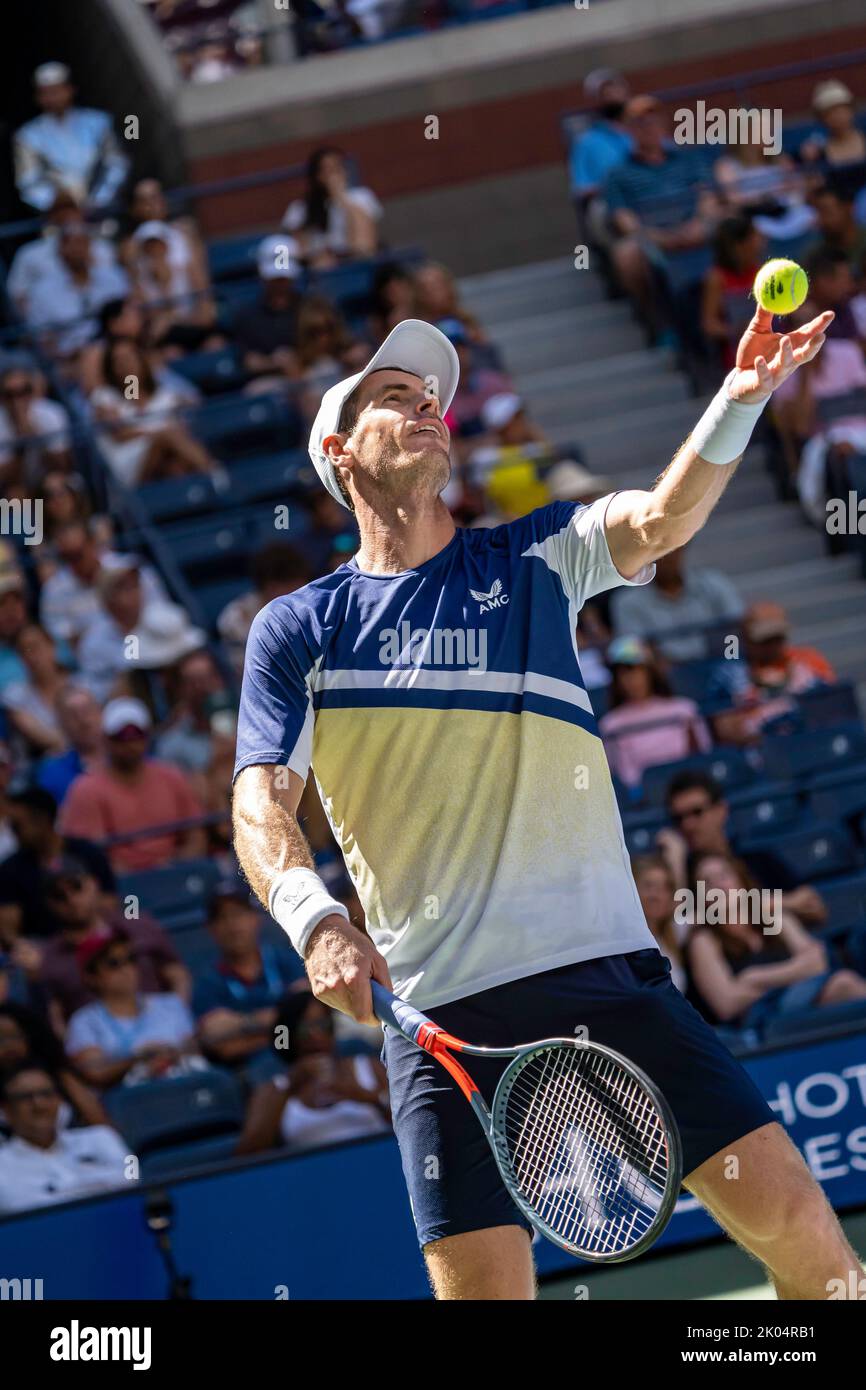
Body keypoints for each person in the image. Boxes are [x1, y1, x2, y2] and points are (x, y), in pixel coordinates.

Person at [231, 306, 863, 1300]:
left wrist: (736, 402)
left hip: (608, 979)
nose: (426, 406)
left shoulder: (533, 557)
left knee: (813, 1253)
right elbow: (260, 800)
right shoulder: (299, 628)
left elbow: (658, 516)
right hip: (439, 1016)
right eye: (394, 398)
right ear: (339, 451)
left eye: (431, 395)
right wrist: (314, 923)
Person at [686, 851, 866, 1034]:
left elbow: (818, 962)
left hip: (805, 997)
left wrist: (754, 978)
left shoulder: (771, 916)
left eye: (723, 875)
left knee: (842, 985)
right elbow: (726, 1004)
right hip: (761, 1018)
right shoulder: (704, 939)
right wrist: (797, 972)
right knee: (843, 984)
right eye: (707, 882)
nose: (718, 885)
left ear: (740, 880)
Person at [604, 94, 719, 341]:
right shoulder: (618, 174)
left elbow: (708, 197)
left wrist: (699, 224)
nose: (648, 126)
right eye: (639, 122)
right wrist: (658, 237)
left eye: (652, 119)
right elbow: (623, 218)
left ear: (663, 123)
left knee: (733, 224)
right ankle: (659, 321)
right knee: (626, 255)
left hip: (697, 227)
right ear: (628, 130)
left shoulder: (688, 158)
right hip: (653, 238)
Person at [659, 770, 827, 929]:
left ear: (721, 810)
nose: (688, 825)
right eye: (678, 818)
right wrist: (675, 864)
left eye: (697, 812)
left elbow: (815, 908)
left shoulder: (757, 859)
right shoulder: (682, 873)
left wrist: (733, 907)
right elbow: (677, 928)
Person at [59, 698, 207, 873]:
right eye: (121, 737)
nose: (130, 744)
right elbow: (88, 855)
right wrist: (138, 877)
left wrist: (175, 867)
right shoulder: (85, 789)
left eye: (137, 735)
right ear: (106, 739)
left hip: (177, 873)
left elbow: (196, 835)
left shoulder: (172, 777)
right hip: (122, 886)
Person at [236, 989, 390, 1155]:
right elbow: (248, 1153)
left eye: (323, 1025)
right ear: (289, 1035)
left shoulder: (369, 1067)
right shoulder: (275, 1089)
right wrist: (289, 1085)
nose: (316, 1035)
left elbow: (412, 1121)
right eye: (305, 1028)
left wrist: (366, 1097)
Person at [35, 858, 190, 1023]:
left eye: (76, 887)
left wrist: (174, 1020)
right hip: (97, 1042)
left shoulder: (137, 924)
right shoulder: (48, 958)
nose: (71, 900)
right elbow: (56, 1018)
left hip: (161, 1028)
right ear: (49, 904)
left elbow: (178, 975)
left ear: (94, 884)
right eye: (59, 896)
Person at [193, 881, 306, 1083]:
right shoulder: (208, 982)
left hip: (303, 1054)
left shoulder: (284, 961)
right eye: (222, 918)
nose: (232, 925)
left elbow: (308, 1015)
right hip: (249, 1071)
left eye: (239, 914)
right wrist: (282, 1023)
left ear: (256, 918)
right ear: (211, 929)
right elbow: (220, 1044)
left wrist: (241, 1025)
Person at [65, 928, 201, 1089]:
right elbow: (95, 1072)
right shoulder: (83, 1021)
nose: (127, 968)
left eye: (131, 959)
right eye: (113, 963)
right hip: (132, 1103)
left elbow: (195, 1052)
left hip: (185, 1086)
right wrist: (139, 1058)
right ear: (91, 977)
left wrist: (167, 1055)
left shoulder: (170, 1004)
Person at [0, 1064, 132, 1214]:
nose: (39, 1104)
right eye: (25, 1098)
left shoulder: (102, 1136)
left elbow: (134, 1175)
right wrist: (97, 1184)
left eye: (46, 1094)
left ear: (60, 1100)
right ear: (6, 1110)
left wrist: (60, 1192)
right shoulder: (2, 1166)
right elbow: (23, 1208)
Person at [89, 339, 215, 487]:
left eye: (130, 357)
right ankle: (215, 474)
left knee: (176, 464)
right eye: (119, 360)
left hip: (164, 457)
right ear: (111, 368)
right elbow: (121, 435)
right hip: (128, 462)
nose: (126, 364)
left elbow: (187, 420)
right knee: (168, 436)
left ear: (141, 359)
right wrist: (159, 434)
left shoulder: (164, 396)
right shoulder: (104, 396)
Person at [0, 786, 116, 940]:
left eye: (18, 827)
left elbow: (112, 903)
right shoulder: (10, 870)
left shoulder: (88, 853)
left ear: (41, 820)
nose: (14, 834)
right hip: (42, 951)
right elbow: (9, 930)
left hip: (96, 940)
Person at [12, 62, 129, 213]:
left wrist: (99, 200)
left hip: (103, 210)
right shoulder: (28, 135)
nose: (53, 97)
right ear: (38, 97)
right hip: (60, 216)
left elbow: (117, 164)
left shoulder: (98, 121)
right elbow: (28, 181)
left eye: (57, 91)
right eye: (47, 93)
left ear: (70, 90)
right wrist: (54, 200)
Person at [599, 635, 711, 790]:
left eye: (636, 670)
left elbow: (703, 757)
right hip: (642, 799)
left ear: (649, 671)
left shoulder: (684, 709)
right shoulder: (610, 724)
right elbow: (618, 777)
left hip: (688, 788)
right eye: (622, 673)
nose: (631, 679)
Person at [610, 541, 743, 662]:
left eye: (671, 548)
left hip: (719, 662)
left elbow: (737, 627)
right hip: (663, 678)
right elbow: (632, 649)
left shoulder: (713, 583)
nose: (666, 557)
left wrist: (732, 659)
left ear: (683, 547)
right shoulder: (628, 602)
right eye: (657, 551)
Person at [24, 222, 129, 360]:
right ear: (61, 250)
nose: (78, 249)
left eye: (82, 243)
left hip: (119, 352)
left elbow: (130, 316)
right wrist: (66, 358)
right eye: (72, 244)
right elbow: (43, 338)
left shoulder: (113, 277)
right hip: (71, 362)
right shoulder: (42, 292)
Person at [218, 542, 312, 676]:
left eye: (298, 586)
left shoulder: (313, 607)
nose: (295, 594)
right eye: (286, 586)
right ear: (266, 587)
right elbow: (249, 673)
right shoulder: (236, 618)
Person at [282, 148, 381, 268]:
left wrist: (341, 198)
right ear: (317, 176)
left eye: (337, 168)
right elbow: (300, 248)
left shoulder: (362, 196)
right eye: (327, 170)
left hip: (355, 259)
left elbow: (367, 241)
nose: (333, 175)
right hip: (320, 265)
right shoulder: (300, 208)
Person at [568, 68, 632, 242]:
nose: (612, 97)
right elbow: (581, 188)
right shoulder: (586, 142)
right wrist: (613, 187)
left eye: (616, 90)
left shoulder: (642, 129)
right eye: (605, 94)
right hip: (614, 204)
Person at [231, 235, 303, 385]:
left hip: (311, 370)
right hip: (271, 378)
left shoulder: (309, 306)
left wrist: (298, 358)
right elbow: (248, 361)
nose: (279, 285)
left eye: (283, 279)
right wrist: (274, 362)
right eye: (274, 279)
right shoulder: (247, 315)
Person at [701, 216, 767, 371]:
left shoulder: (763, 270)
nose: (761, 244)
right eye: (755, 239)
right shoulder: (716, 278)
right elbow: (709, 325)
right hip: (738, 354)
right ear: (739, 246)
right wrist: (738, 331)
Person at [0, 364, 73, 495]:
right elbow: (5, 479)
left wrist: (39, 440)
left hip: (48, 479)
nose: (17, 401)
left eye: (23, 392)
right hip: (18, 485)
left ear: (31, 392)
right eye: (10, 394)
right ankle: (33, 516)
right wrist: (21, 447)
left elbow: (64, 466)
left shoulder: (52, 413)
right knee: (16, 495)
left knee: (56, 484)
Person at [2, 624, 70, 759]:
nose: (31, 656)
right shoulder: (15, 695)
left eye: (36, 647)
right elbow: (47, 739)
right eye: (24, 651)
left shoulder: (80, 684)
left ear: (52, 646)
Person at [37, 685, 103, 806]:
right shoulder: (52, 773)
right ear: (61, 724)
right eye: (73, 715)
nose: (83, 721)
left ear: (100, 713)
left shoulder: (129, 759)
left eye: (87, 711)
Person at [630, 853, 687, 992]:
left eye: (664, 888)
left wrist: (677, 853)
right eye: (649, 886)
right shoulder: (624, 943)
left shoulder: (673, 932)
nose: (656, 895)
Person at [799, 81, 866, 178]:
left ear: (851, 110)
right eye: (829, 113)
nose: (837, 117)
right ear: (821, 119)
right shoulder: (818, 153)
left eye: (840, 110)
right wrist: (809, 162)